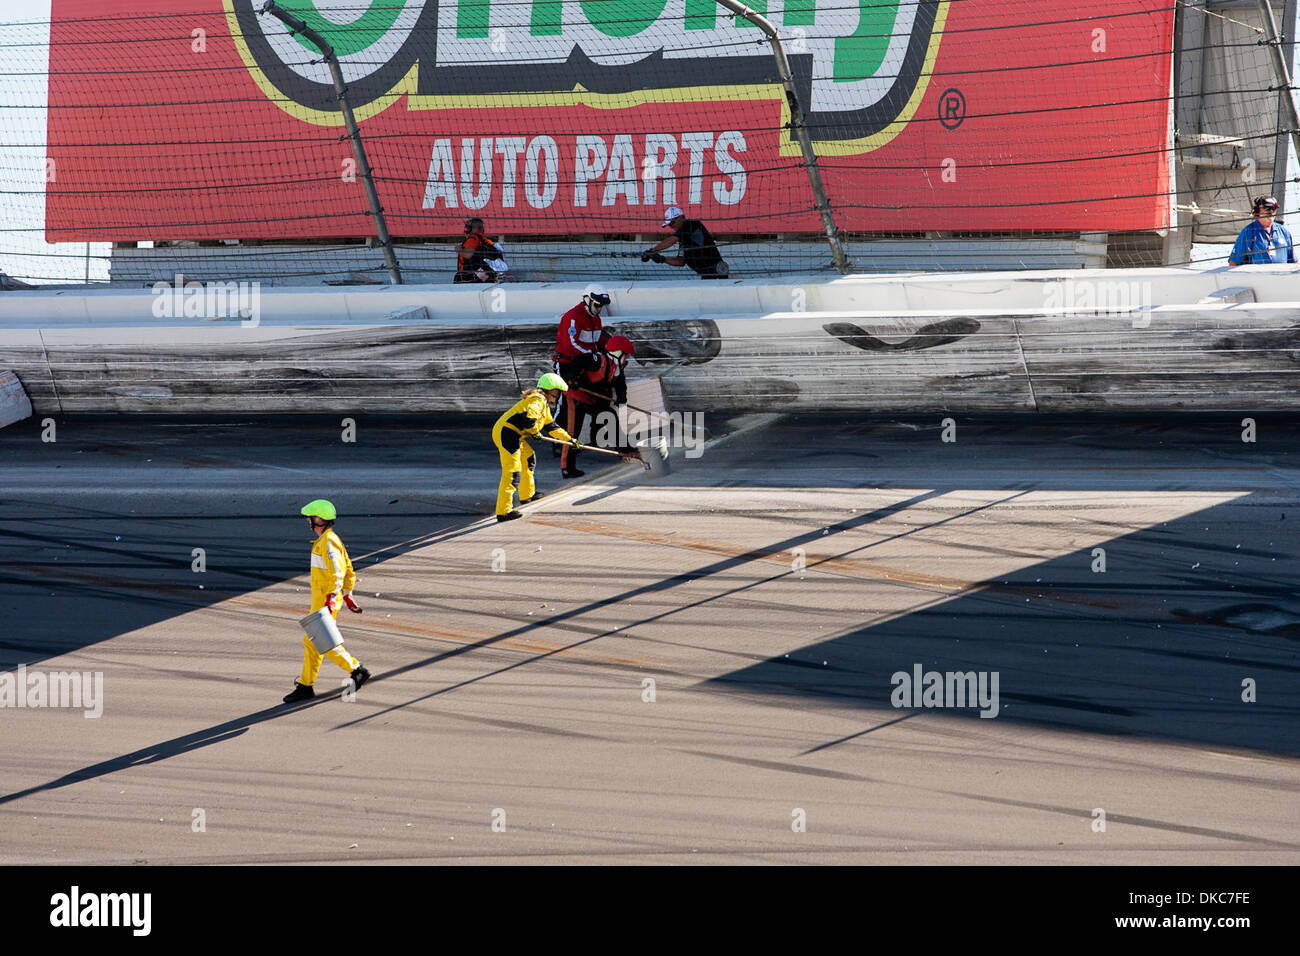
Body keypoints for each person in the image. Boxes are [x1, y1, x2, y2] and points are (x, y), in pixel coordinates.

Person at [283, 499, 370, 704]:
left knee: (323, 641)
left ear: (319, 519)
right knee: (313, 643)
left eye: (310, 517)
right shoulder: (329, 540)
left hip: (325, 602)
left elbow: (338, 572)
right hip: (324, 600)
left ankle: (357, 670)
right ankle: (306, 685)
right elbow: (348, 568)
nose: (308, 521)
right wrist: (347, 595)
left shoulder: (328, 543)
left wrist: (332, 600)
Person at [492, 372, 581, 521]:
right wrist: (535, 432)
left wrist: (569, 439)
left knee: (528, 459)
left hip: (516, 435)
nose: (558, 396)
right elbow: (529, 419)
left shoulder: (544, 405)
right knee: (512, 472)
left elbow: (552, 427)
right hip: (507, 434)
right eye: (557, 392)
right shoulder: (537, 400)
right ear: (549, 390)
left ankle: (527, 495)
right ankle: (503, 511)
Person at [560, 335, 636, 479]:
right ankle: (567, 469)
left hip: (592, 400)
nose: (627, 358)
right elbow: (575, 364)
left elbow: (620, 385)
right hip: (576, 398)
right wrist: (572, 380)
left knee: (610, 416)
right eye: (626, 355)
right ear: (618, 353)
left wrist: (622, 399)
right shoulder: (596, 360)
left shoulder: (617, 368)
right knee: (572, 434)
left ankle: (624, 449)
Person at [641, 206, 729, 278]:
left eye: (671, 223)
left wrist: (652, 250)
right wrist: (662, 259)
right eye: (669, 225)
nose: (671, 227)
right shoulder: (684, 239)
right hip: (707, 274)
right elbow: (681, 262)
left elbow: (671, 240)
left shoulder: (692, 224)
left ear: (680, 218)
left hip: (717, 272)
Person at [1229, 196, 1295, 265]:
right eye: (1267, 208)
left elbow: (1294, 262)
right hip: (1256, 275)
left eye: (1274, 208)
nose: (1271, 211)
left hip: (1282, 275)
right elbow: (1233, 263)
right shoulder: (1247, 232)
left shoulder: (1284, 232)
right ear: (1257, 211)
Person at [455, 217, 507, 282]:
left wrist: (459, 249)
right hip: (486, 276)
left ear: (474, 229)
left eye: (467, 228)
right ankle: (487, 281)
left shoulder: (473, 238)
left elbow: (468, 254)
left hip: (470, 278)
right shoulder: (487, 241)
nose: (465, 232)